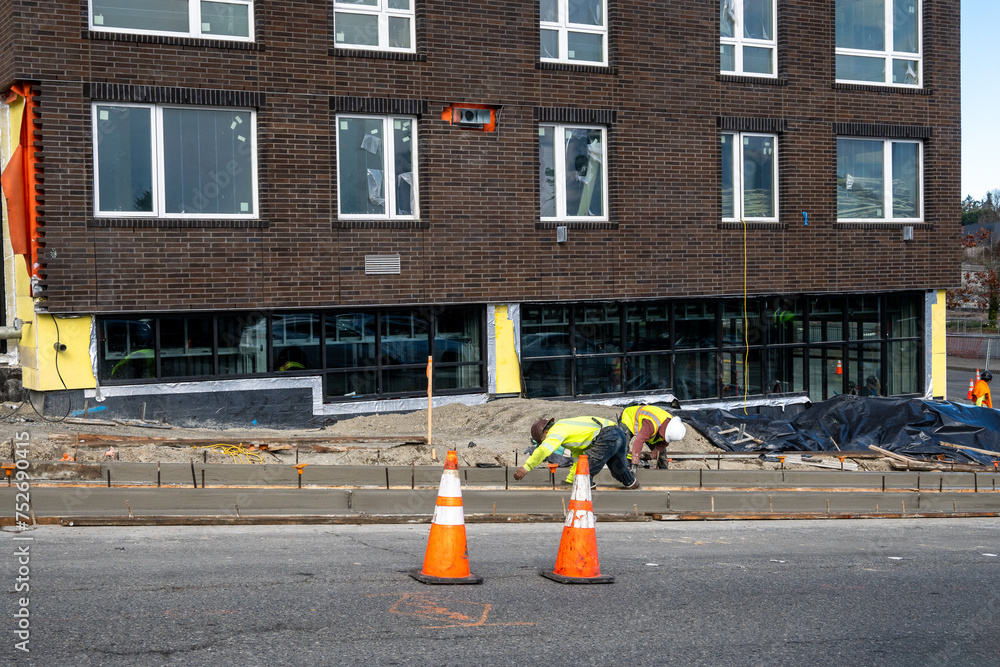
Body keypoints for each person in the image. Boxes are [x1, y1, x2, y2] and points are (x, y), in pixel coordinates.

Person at [514, 416, 640, 490]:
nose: (544, 441)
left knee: (585, 472)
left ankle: (588, 499)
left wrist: (527, 467)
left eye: (542, 440)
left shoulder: (556, 430)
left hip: (607, 436)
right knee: (618, 469)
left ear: (545, 433)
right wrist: (570, 480)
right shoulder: (569, 432)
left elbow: (544, 450)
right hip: (618, 433)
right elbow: (578, 459)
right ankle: (634, 486)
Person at [619, 405, 686, 472]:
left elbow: (662, 445)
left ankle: (664, 470)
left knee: (661, 453)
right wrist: (635, 463)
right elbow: (638, 441)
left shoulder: (672, 425)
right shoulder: (651, 425)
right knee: (623, 447)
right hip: (628, 418)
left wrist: (651, 455)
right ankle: (622, 469)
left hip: (648, 425)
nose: (664, 439)